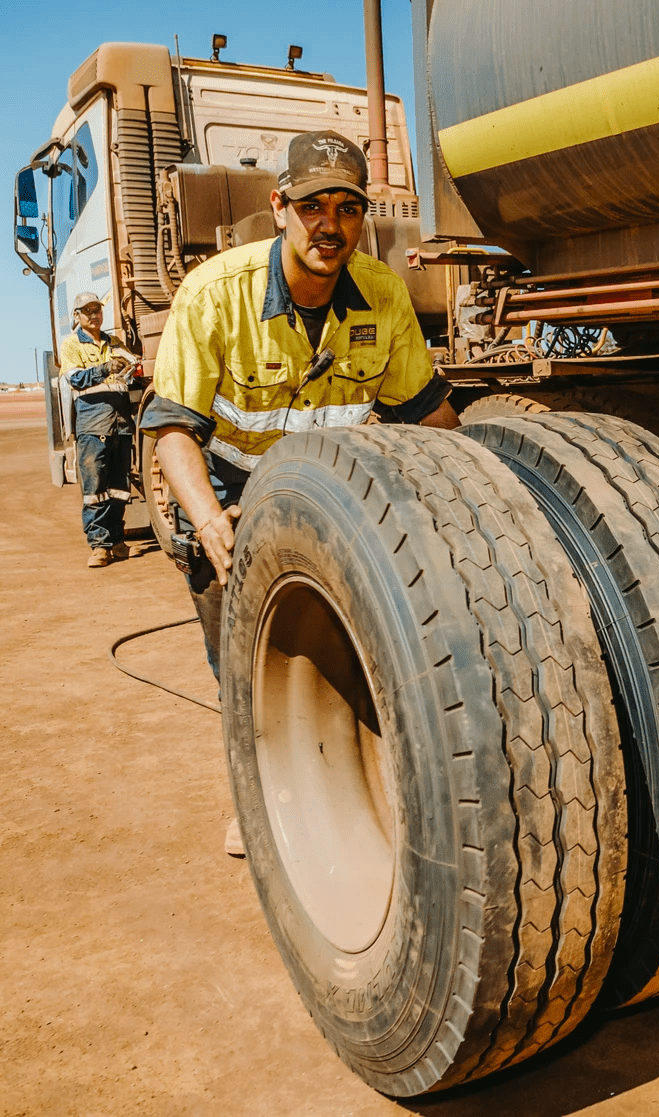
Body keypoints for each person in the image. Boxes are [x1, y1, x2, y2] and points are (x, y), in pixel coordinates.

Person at [140, 130, 459, 855]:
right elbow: (172, 430)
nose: (332, 225)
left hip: (326, 486)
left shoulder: (381, 295)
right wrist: (210, 523)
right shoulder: (215, 294)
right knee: (243, 656)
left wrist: (476, 492)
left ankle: (352, 777)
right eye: (314, 206)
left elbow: (429, 415)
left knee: (339, 641)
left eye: (349, 208)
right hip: (229, 485)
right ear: (281, 205)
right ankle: (256, 802)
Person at [59, 292, 143, 567]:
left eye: (97, 310)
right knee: (95, 488)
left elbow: (132, 365)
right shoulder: (72, 345)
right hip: (93, 426)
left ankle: (117, 541)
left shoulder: (113, 342)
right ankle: (99, 546)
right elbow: (75, 379)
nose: (94, 316)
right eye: (87, 311)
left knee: (120, 488)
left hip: (120, 424)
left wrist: (134, 367)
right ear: (77, 316)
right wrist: (105, 368)